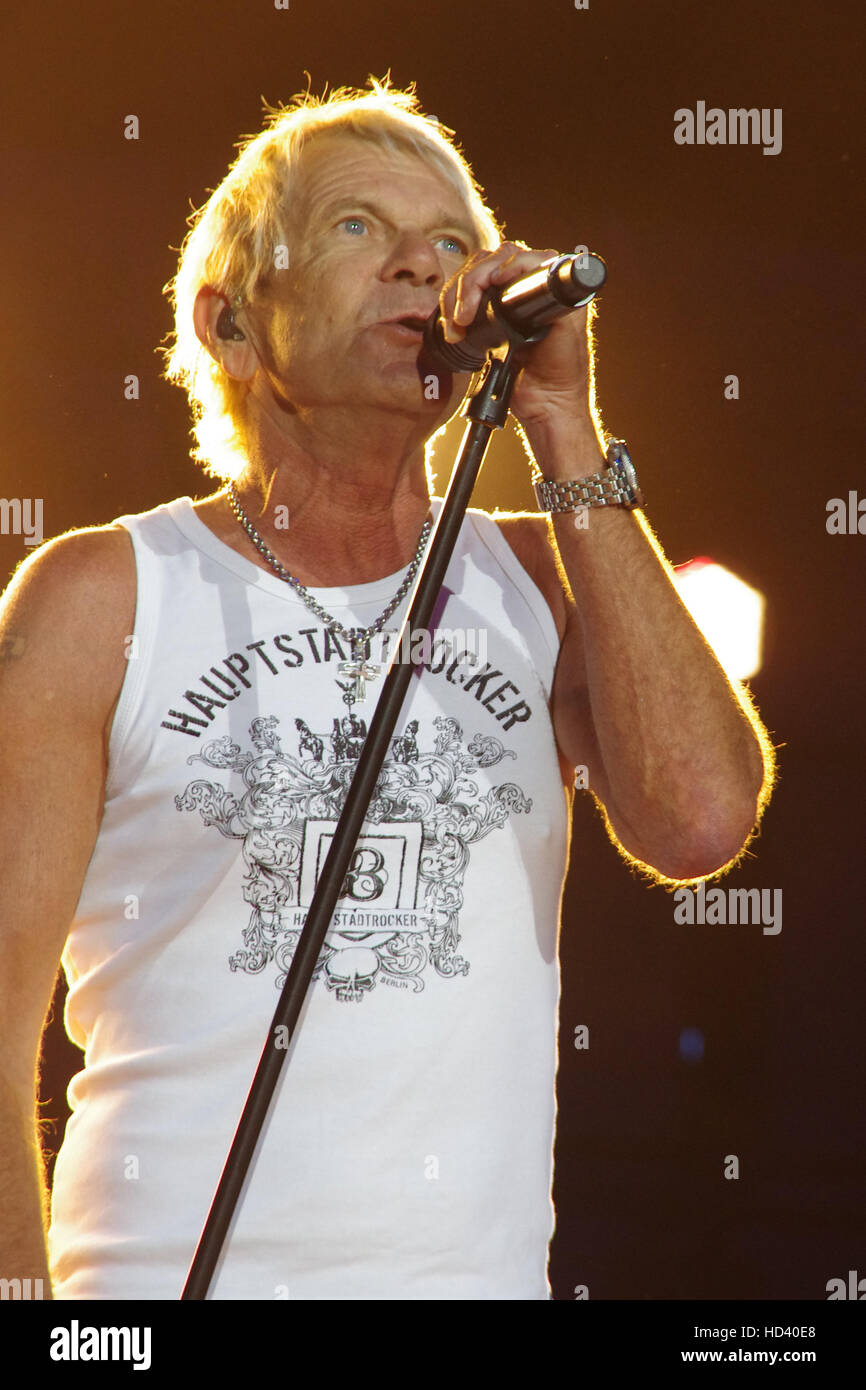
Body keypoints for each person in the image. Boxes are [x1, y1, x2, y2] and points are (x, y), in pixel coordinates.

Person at [0, 79, 774, 1301]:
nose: (424, 265)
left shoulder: (542, 574)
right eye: (359, 228)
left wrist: (565, 426)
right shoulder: (103, 595)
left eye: (453, 241)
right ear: (232, 325)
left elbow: (697, 823)